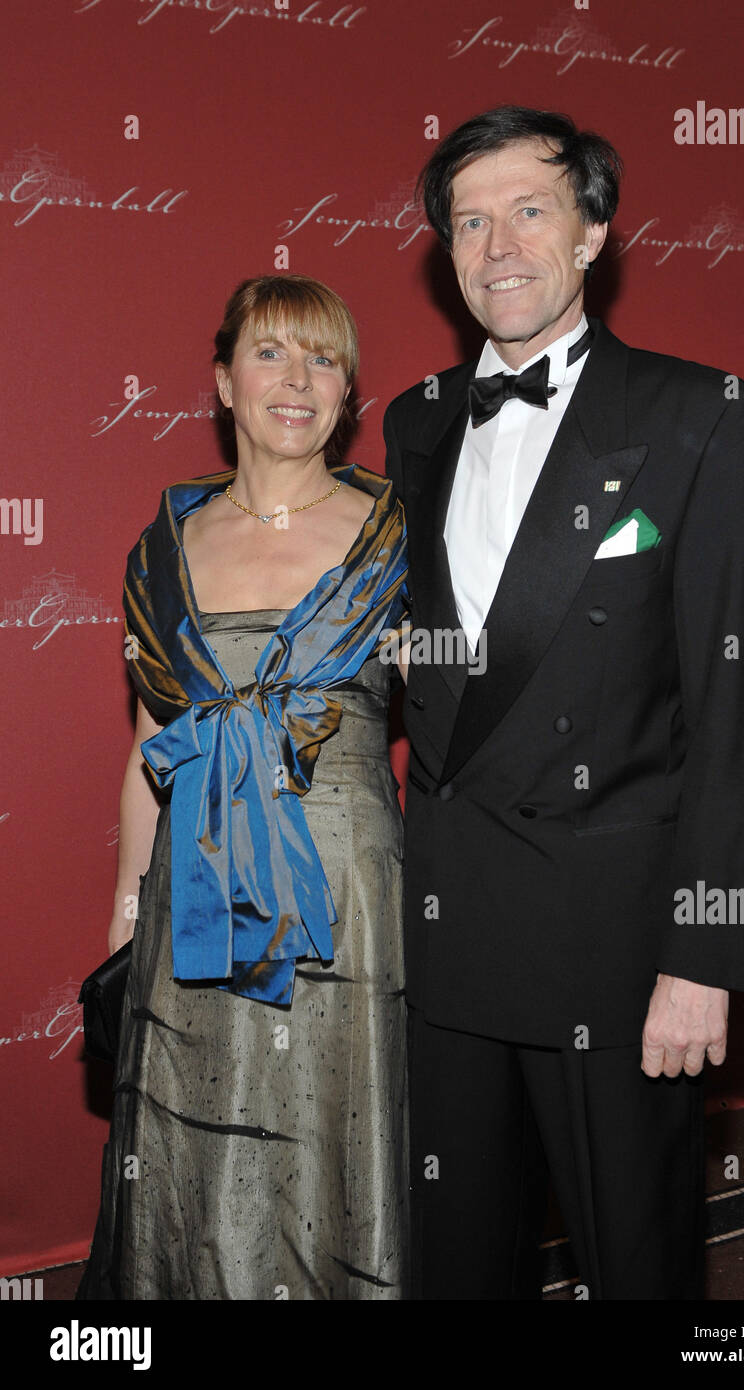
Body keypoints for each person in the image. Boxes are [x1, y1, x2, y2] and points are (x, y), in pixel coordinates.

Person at [383, 105, 744, 1300]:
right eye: (468, 220)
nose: (495, 245)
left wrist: (705, 957)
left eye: (528, 210)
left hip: (611, 949)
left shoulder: (701, 414)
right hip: (448, 929)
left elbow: (739, 708)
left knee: (637, 1265)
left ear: (593, 232)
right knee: (457, 1264)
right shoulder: (413, 423)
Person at [78, 273, 410, 1300]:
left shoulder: (397, 534)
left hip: (344, 891)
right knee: (198, 1139)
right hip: (197, 886)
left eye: (324, 358)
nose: (298, 379)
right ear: (222, 381)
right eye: (271, 353)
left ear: (347, 390)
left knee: (331, 1130)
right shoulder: (163, 549)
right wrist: (129, 907)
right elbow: (152, 743)